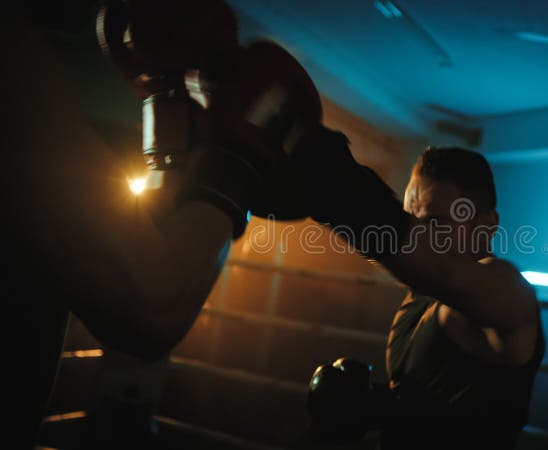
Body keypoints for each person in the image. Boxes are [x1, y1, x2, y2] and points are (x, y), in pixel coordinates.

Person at [3, 1, 322, 447]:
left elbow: (144, 250)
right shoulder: (12, 60)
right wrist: (240, 158)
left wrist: (172, 110)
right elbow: (151, 311)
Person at [299, 139, 545, 448]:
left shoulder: (508, 291)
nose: (420, 233)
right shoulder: (418, 298)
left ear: (485, 226)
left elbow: (443, 272)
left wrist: (337, 188)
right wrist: (374, 405)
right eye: (410, 219)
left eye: (434, 222)